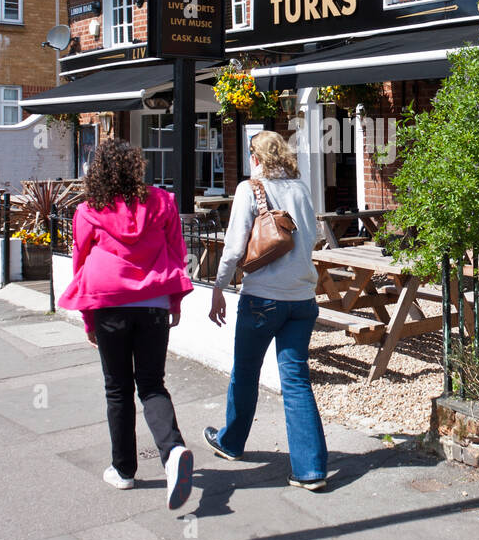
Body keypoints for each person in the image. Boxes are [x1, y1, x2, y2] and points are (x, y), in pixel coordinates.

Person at [58, 139, 195, 509]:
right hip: (152, 303)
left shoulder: (88, 210)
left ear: (98, 171)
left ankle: (124, 470)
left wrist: (88, 319)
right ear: (137, 167)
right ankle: (173, 451)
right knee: (151, 384)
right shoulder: (162, 202)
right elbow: (177, 252)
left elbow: (80, 264)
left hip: (109, 304)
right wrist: (175, 300)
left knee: (117, 388)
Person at [206, 130, 328, 490]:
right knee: (296, 380)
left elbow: (233, 247)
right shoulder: (302, 189)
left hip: (262, 298)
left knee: (245, 371)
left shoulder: (250, 189)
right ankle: (310, 470)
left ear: (256, 158)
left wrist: (218, 287)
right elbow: (313, 238)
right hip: (302, 299)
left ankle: (231, 442)